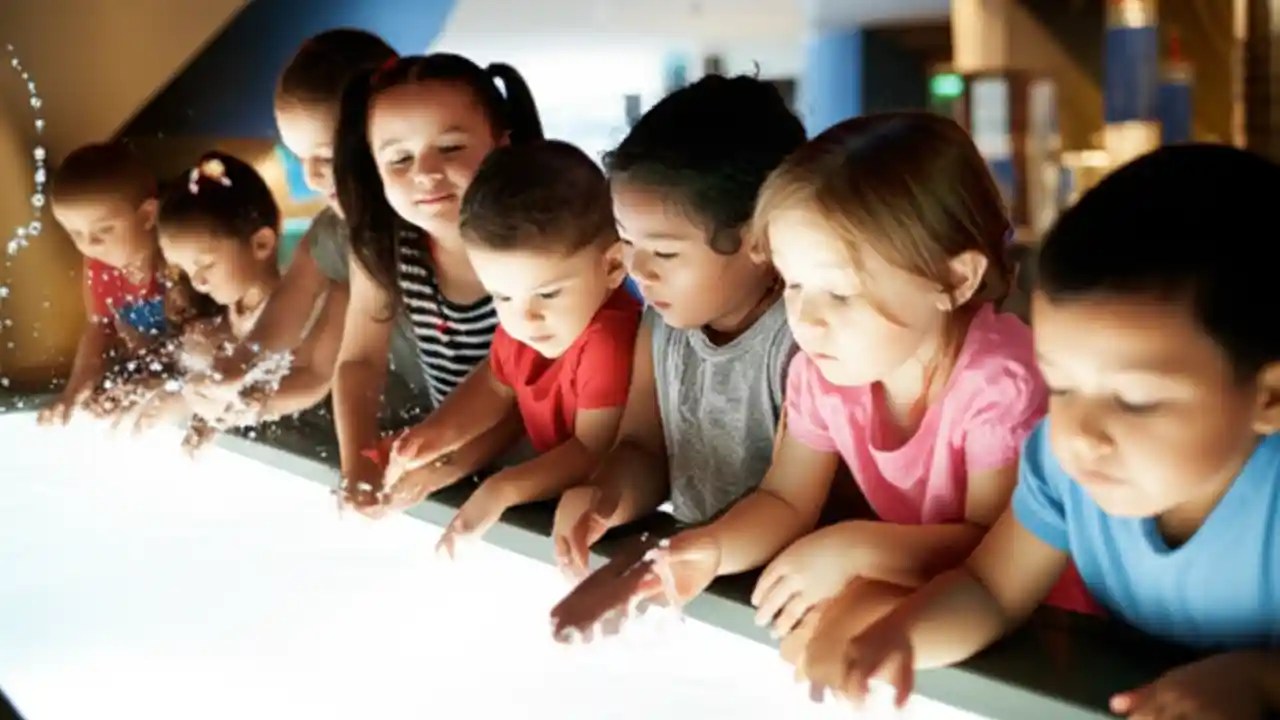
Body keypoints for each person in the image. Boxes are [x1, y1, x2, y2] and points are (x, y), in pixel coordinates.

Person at [813, 144, 1280, 720]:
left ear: (1269, 396)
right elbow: (989, 591)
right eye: (1060, 386)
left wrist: (1260, 678)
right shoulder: (1063, 469)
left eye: (1134, 400)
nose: (1080, 433)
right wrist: (901, 634)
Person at [627, 113, 1092, 645]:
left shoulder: (1000, 382)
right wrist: (713, 546)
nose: (807, 318)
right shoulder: (823, 372)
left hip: (1037, 633)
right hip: (914, 609)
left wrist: (852, 549)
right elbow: (784, 500)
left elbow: (991, 550)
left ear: (953, 279)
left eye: (841, 293)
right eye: (794, 284)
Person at [549, 75, 804, 576]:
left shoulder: (803, 339)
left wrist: (710, 548)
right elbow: (643, 448)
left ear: (759, 238)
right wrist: (605, 500)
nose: (639, 270)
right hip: (699, 578)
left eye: (665, 251)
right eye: (626, 240)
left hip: (779, 585)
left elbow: (794, 500)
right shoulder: (662, 323)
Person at [385, 140, 639, 555]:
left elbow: (593, 451)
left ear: (612, 265)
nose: (525, 317)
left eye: (549, 294)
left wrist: (501, 489)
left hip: (612, 516)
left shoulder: (607, 339)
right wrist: (433, 436)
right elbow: (495, 383)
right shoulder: (525, 324)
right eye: (501, 296)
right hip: (556, 496)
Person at [331, 53, 544, 515]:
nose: (425, 173)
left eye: (450, 148)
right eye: (399, 158)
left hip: (546, 473)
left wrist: (445, 467)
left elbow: (527, 389)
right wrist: (358, 466)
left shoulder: (537, 245)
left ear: (502, 145)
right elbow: (358, 361)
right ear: (375, 168)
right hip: (455, 460)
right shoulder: (386, 245)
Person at [190, 29, 426, 421]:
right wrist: (237, 366)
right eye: (299, 156)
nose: (312, 176)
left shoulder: (434, 223)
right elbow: (291, 303)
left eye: (326, 156)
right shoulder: (334, 230)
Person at [154, 151, 347, 450]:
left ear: (261, 244)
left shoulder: (322, 295)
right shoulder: (235, 309)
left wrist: (237, 410)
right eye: (185, 269)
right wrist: (208, 413)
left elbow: (314, 379)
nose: (197, 281)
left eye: (205, 265)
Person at [39, 142, 168, 426]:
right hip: (155, 360)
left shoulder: (174, 256)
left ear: (147, 215)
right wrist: (74, 391)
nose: (89, 244)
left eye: (104, 230)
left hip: (190, 354)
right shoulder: (100, 267)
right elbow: (100, 328)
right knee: (107, 399)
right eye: (75, 233)